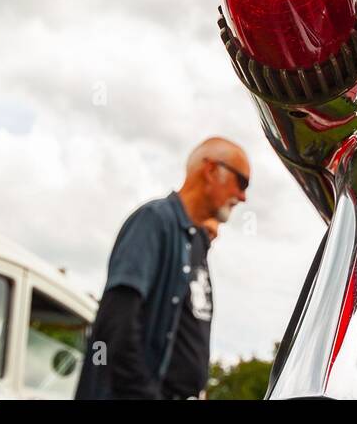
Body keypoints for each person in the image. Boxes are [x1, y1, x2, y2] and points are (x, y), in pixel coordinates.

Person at [74, 137, 250, 400]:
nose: (243, 197)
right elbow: (116, 324)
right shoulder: (155, 221)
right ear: (211, 170)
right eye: (241, 182)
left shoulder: (195, 242)